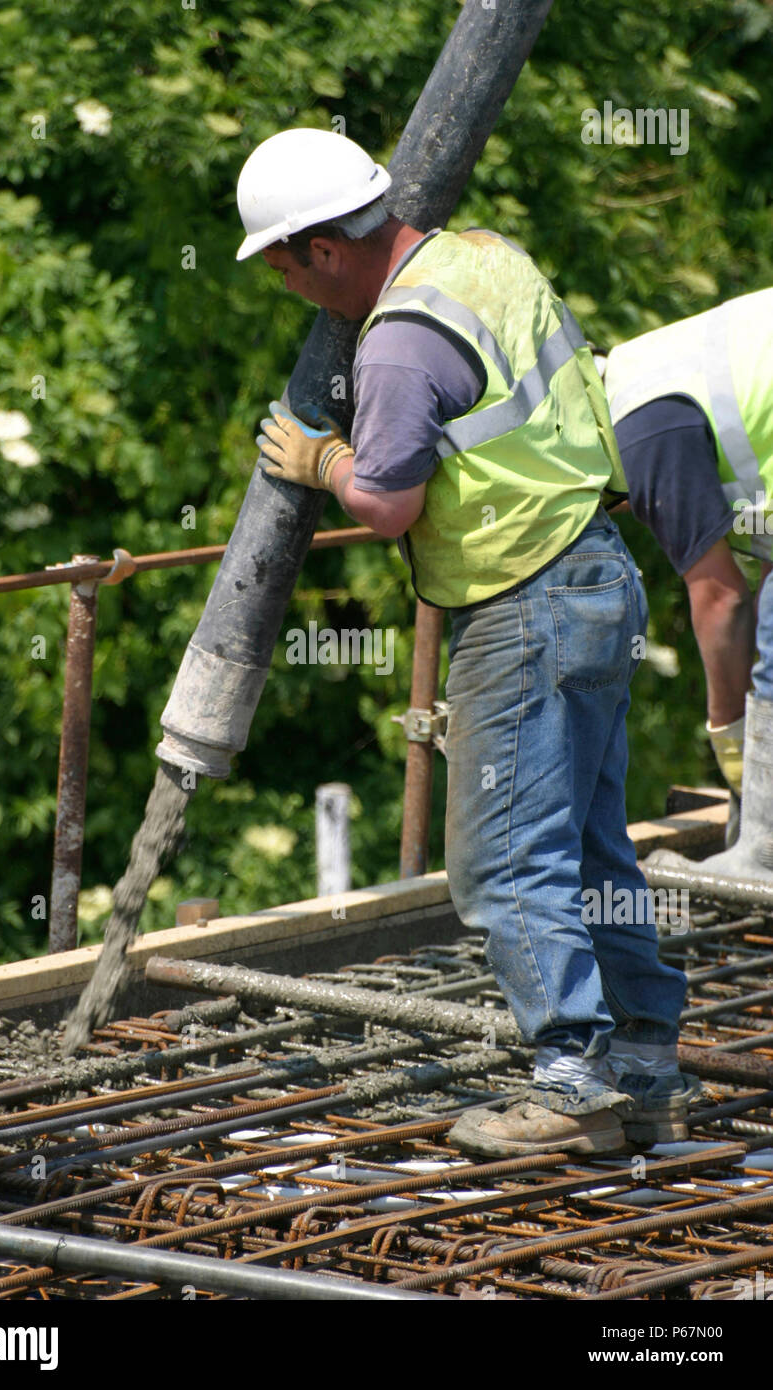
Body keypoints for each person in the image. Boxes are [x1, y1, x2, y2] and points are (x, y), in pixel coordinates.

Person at [237, 127, 693, 1156]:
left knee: (499, 859)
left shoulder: (395, 342)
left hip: (519, 599)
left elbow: (389, 504)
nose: (284, 285)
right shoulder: (486, 257)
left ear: (322, 245)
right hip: (595, 575)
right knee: (587, 844)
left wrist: (323, 461)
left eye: (280, 262)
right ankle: (646, 1062)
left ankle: (571, 1086)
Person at [597, 290, 773, 880]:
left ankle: (764, 856)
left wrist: (727, 724)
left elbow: (721, 598)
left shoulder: (638, 427)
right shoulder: (647, 371)